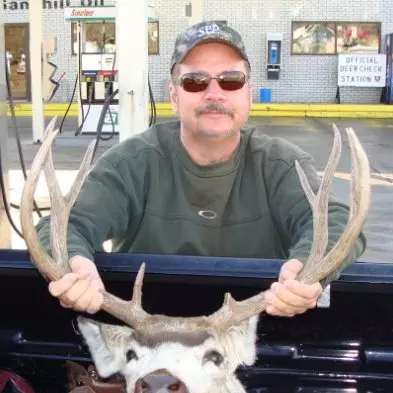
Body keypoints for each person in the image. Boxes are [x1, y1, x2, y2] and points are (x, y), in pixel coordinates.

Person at [36, 21, 366, 318]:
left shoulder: (278, 164)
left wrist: (307, 270)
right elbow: (65, 225)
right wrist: (75, 268)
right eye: (194, 81)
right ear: (174, 95)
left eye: (231, 80)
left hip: (254, 334)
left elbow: (336, 222)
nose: (214, 93)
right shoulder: (133, 163)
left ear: (249, 93)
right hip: (149, 335)